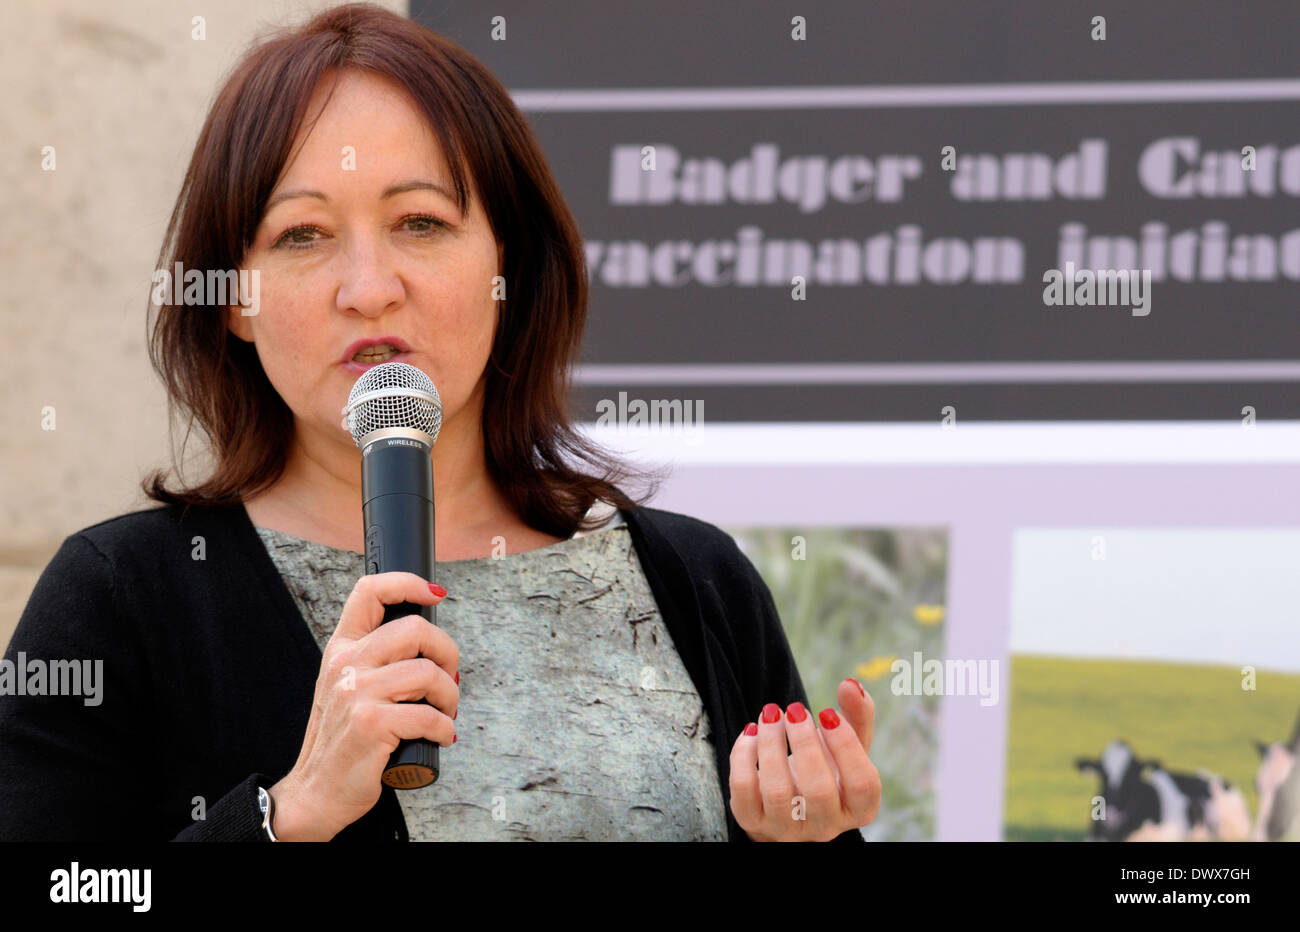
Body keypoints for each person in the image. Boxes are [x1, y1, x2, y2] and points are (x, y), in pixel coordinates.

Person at [0, 3, 880, 843]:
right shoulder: (122, 596)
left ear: (511, 263)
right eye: (302, 235)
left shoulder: (698, 581)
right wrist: (290, 813)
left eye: (421, 222)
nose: (370, 286)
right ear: (233, 296)